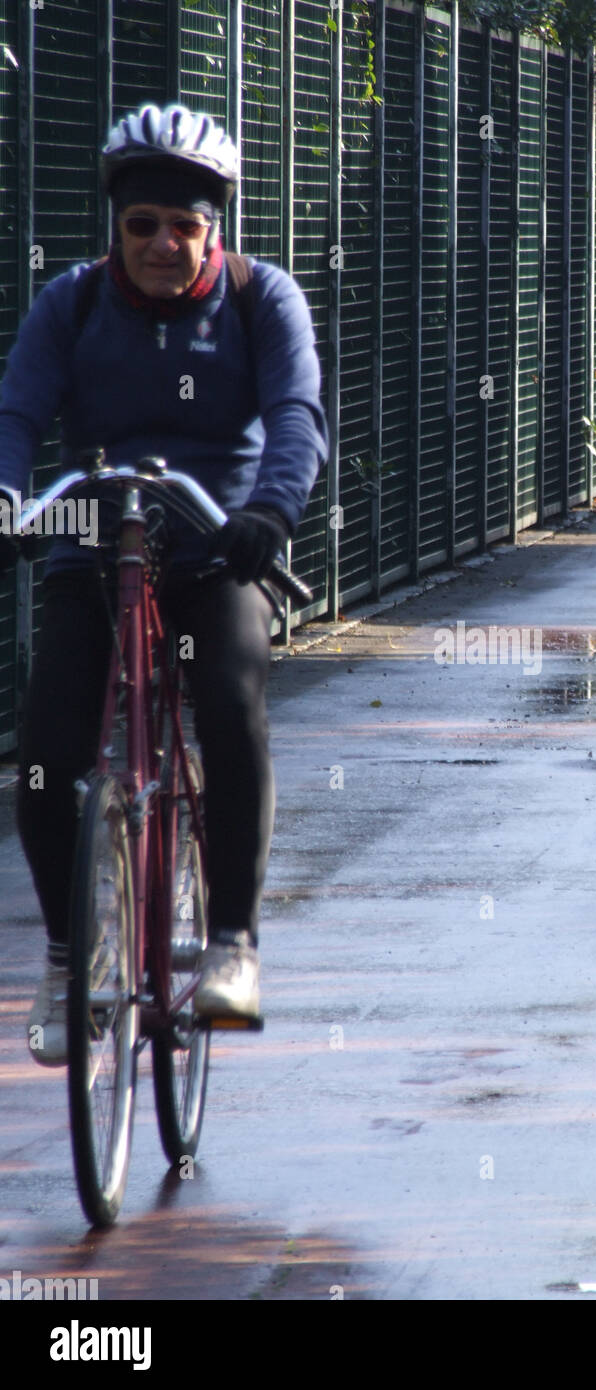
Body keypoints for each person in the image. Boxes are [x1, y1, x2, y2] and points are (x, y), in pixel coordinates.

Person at [0, 103, 326, 1063]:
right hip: (92, 537)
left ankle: (231, 945)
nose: (161, 243)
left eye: (183, 225)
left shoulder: (265, 301)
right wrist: (8, 494)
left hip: (218, 539)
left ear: (214, 227)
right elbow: (17, 410)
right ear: (116, 225)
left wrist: (270, 513)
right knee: (50, 752)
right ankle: (67, 963)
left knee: (229, 705)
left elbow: (297, 415)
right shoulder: (71, 304)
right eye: (142, 224)